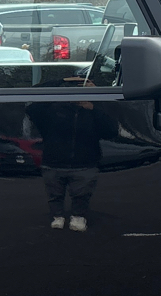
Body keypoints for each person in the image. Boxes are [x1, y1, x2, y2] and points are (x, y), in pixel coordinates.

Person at [26, 81, 116, 231]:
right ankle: (57, 216)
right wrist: (59, 84)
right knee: (54, 194)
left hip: (85, 162)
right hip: (53, 161)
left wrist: (94, 105)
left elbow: (112, 130)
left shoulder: (94, 110)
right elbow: (32, 109)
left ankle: (78, 216)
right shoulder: (52, 109)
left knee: (83, 194)